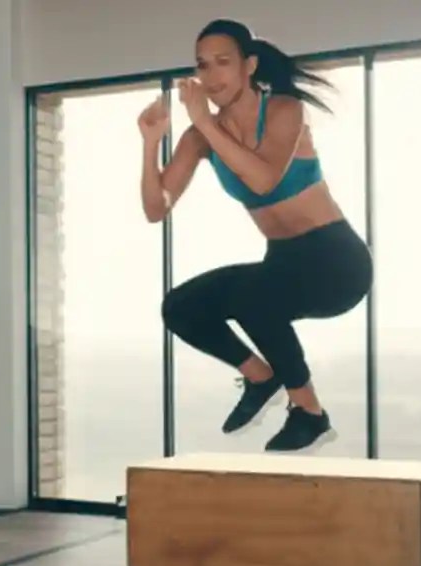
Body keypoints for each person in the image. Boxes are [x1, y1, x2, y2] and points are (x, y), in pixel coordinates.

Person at [138, 19, 373, 452]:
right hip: (282, 264)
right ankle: (261, 377)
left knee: (252, 299)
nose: (211, 77)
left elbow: (264, 179)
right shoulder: (199, 136)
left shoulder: (284, 110)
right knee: (180, 307)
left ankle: (310, 414)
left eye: (223, 63)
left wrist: (205, 124)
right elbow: (157, 208)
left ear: (249, 66)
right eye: (202, 66)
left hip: (336, 263)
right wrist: (152, 142)